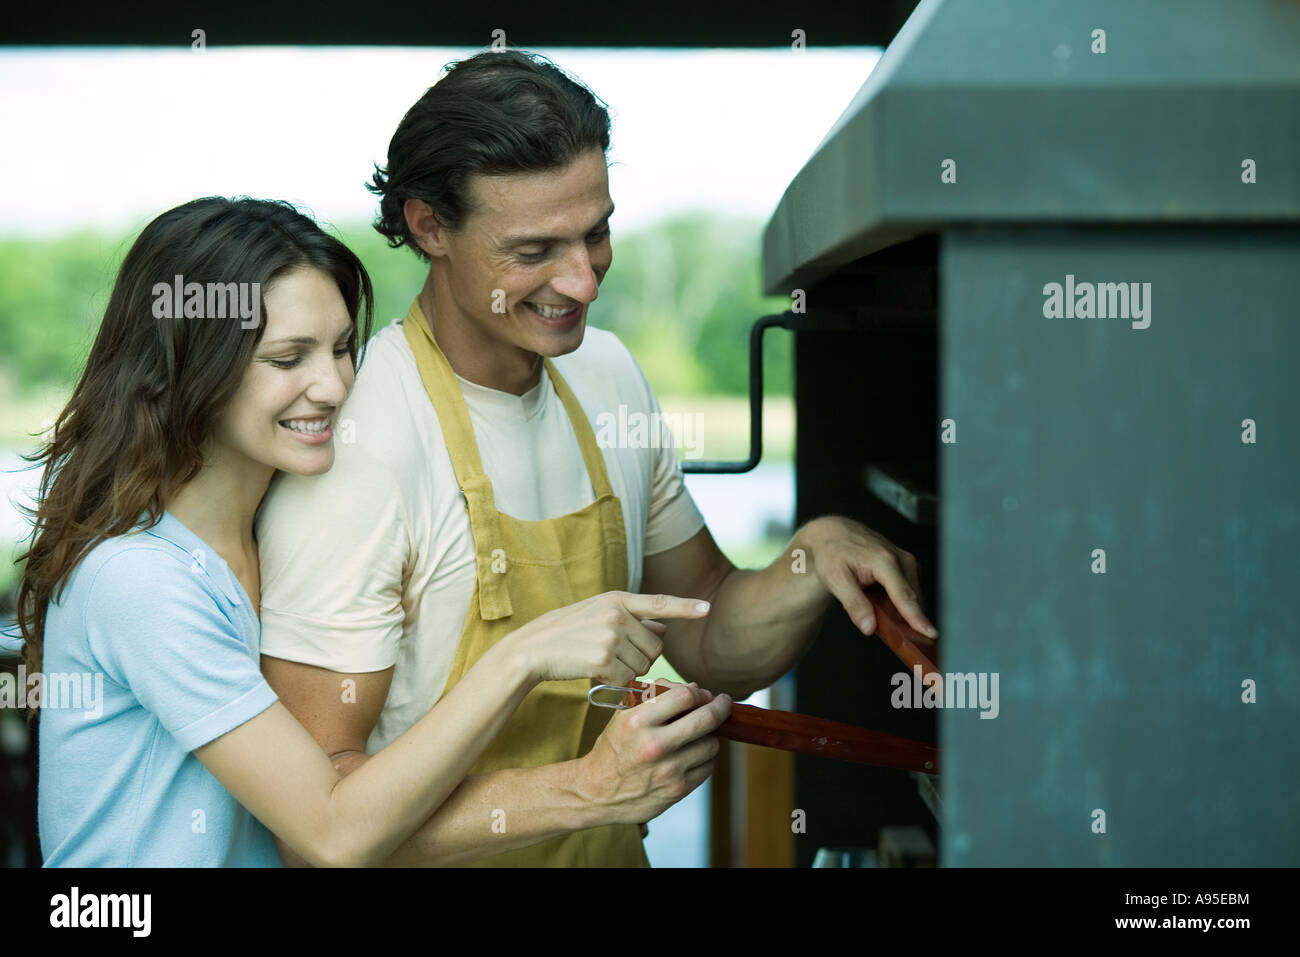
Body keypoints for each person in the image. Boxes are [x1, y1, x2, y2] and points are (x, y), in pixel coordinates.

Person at [254, 50, 936, 868]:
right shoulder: (359, 447)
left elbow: (708, 636)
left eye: (597, 231)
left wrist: (808, 558)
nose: (581, 280)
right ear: (430, 226)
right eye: (536, 248)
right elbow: (315, 824)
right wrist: (586, 789)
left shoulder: (607, 376)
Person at [17, 196, 716, 866]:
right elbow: (331, 830)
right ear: (188, 366)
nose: (333, 385)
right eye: (288, 359)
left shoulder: (261, 536)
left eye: (342, 348)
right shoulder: (142, 579)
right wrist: (527, 665)